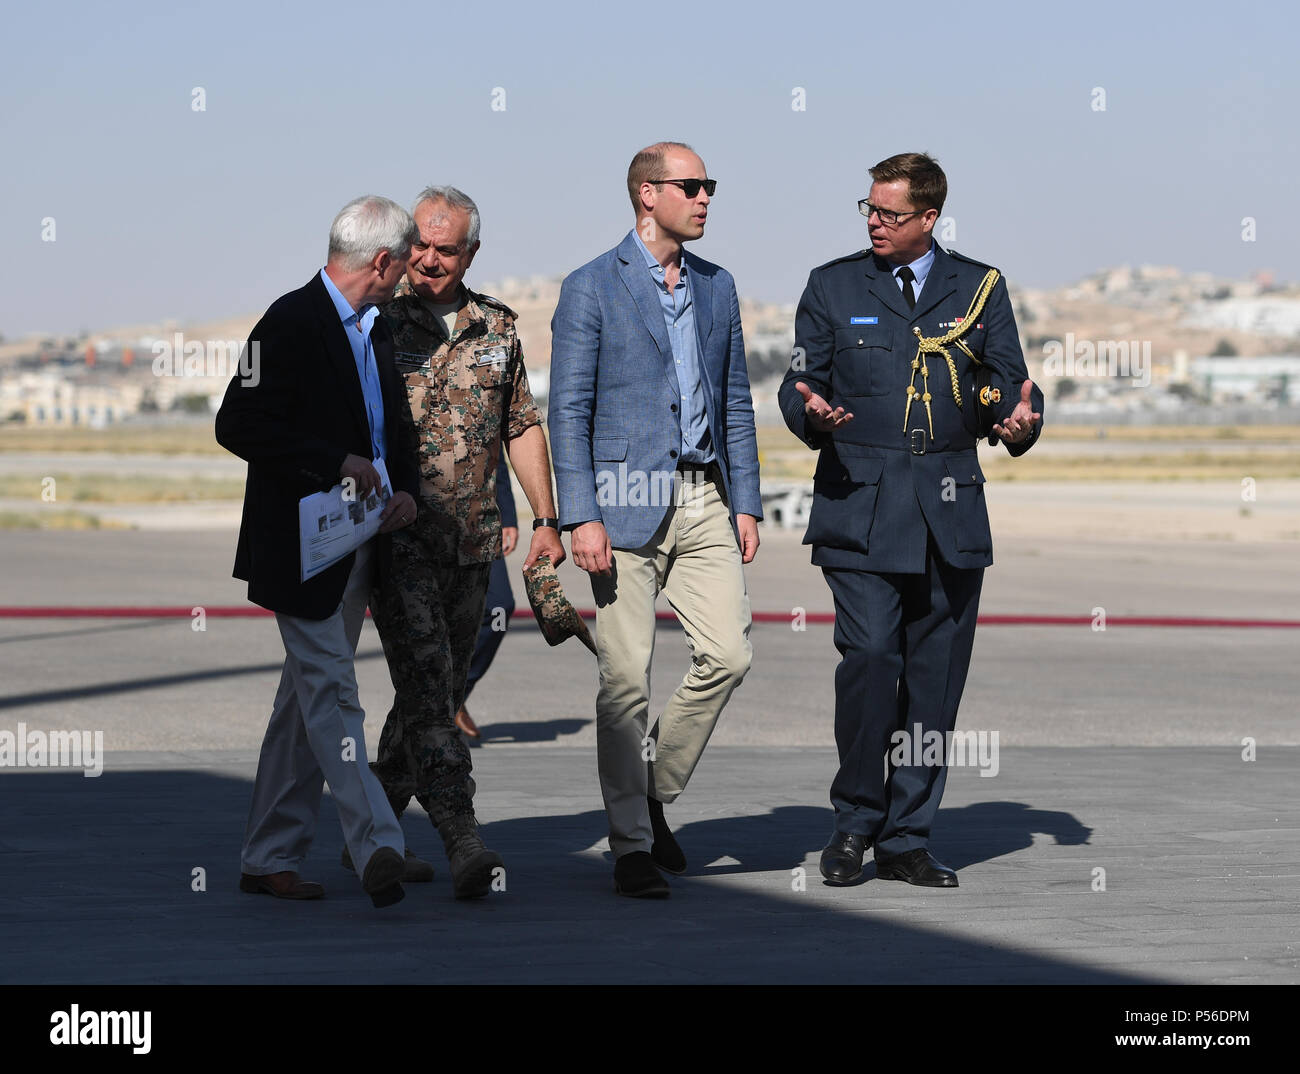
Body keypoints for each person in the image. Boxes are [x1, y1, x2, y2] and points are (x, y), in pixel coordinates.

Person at [777, 152, 1044, 888]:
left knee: (932, 686)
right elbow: (801, 382)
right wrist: (812, 412)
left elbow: (1004, 383)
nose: (874, 222)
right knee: (869, 663)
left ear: (930, 218)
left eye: (890, 214)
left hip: (949, 513)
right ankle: (855, 822)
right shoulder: (832, 284)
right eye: (867, 209)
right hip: (859, 508)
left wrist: (1018, 419)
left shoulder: (979, 288)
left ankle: (906, 838)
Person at [549, 142, 763, 898]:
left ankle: (650, 793)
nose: (705, 198)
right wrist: (580, 516)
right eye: (692, 186)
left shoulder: (718, 285)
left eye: (710, 185)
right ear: (648, 195)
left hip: (704, 494)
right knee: (625, 680)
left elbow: (734, 397)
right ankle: (631, 845)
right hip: (619, 499)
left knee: (729, 657)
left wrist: (745, 500)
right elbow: (566, 411)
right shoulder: (590, 287)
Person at [215, 195, 422, 909]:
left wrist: (403, 492)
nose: (408, 276)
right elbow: (235, 422)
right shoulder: (290, 320)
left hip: (359, 545)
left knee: (302, 708)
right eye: (405, 263)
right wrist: (331, 460)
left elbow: (388, 428)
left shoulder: (378, 330)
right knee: (334, 692)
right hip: (301, 553)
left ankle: (266, 855)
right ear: (383, 261)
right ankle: (379, 845)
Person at [367, 185, 565, 899]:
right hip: (399, 544)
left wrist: (546, 520)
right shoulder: (377, 324)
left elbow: (520, 427)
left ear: (470, 253)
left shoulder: (499, 329)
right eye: (418, 244)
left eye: (445, 249)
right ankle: (462, 838)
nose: (427, 259)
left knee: (435, 689)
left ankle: (373, 832)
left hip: (474, 544)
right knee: (427, 689)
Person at [455, 454, 519, 741]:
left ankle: (454, 693)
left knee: (499, 608)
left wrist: (508, 514)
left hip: (482, 520)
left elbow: (495, 455)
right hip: (424, 515)